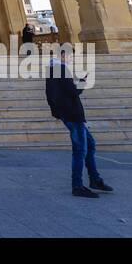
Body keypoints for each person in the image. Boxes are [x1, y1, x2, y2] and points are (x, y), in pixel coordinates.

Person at [45, 50, 113, 198]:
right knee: (80, 150)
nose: (71, 59)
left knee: (90, 144)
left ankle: (95, 179)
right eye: (70, 56)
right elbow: (73, 92)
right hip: (72, 114)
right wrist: (82, 82)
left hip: (69, 113)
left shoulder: (54, 69)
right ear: (62, 55)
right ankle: (77, 185)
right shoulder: (60, 69)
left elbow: (56, 93)